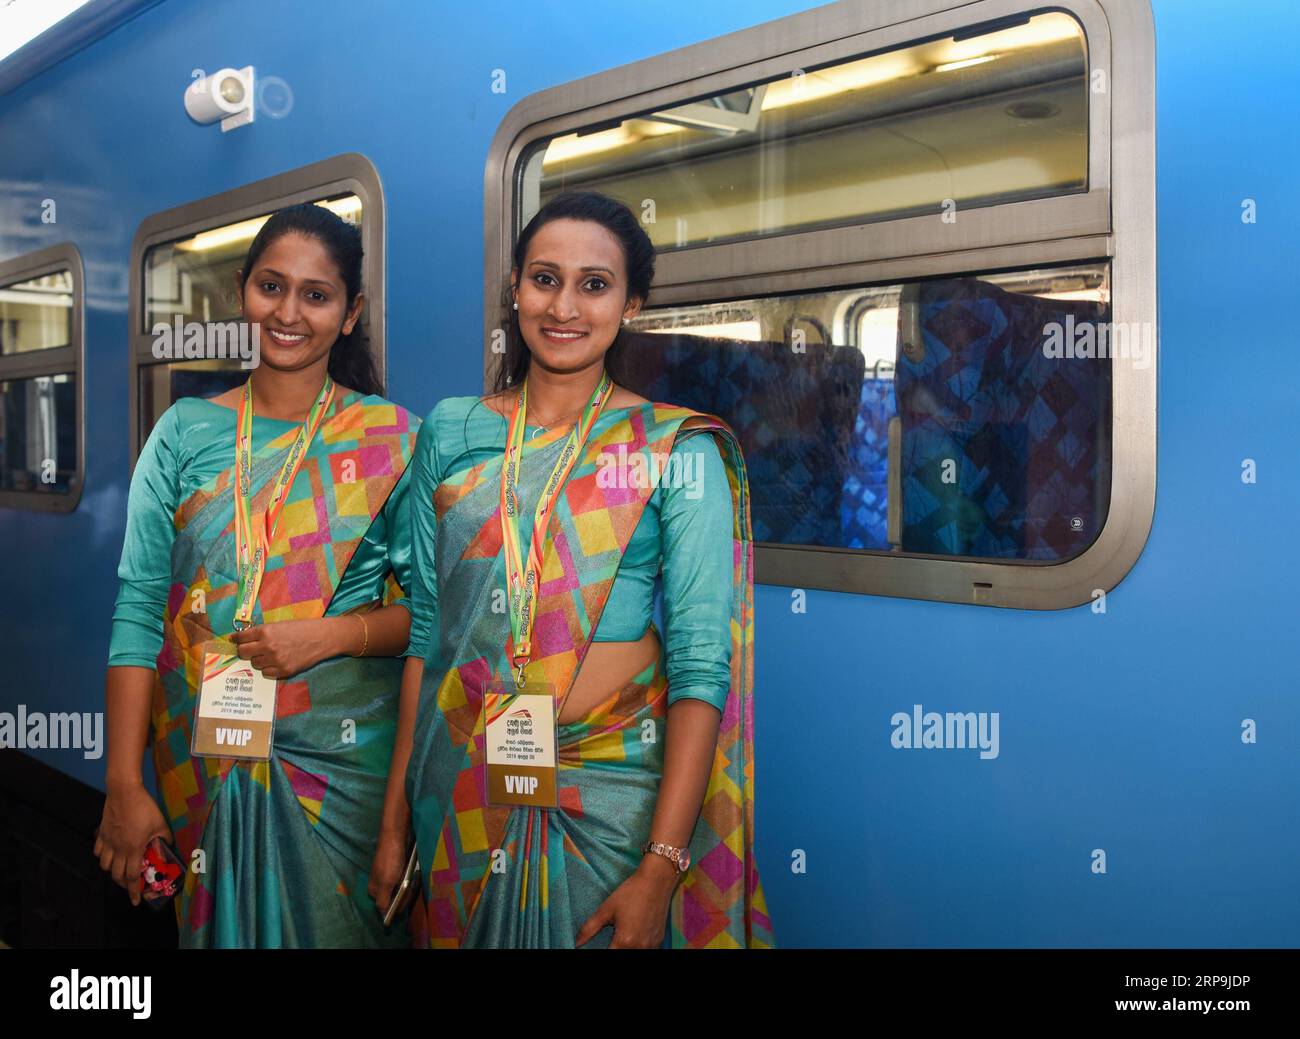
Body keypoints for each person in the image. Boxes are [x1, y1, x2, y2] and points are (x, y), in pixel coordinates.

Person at [371, 191, 772, 948]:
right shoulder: (452, 430)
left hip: (611, 799)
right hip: (461, 778)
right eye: (544, 278)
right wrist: (397, 826)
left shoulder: (673, 450)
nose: (565, 305)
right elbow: (428, 631)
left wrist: (660, 868)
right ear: (514, 289)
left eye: (595, 284)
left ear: (631, 303)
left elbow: (698, 667)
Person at [95, 203, 420, 947]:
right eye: (272, 286)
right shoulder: (183, 432)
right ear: (242, 290)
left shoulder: (392, 438)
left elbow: (431, 621)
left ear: (350, 312)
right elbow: (140, 607)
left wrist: (330, 634)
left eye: (316, 294)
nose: (289, 312)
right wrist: (121, 780)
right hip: (203, 763)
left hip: (346, 778)